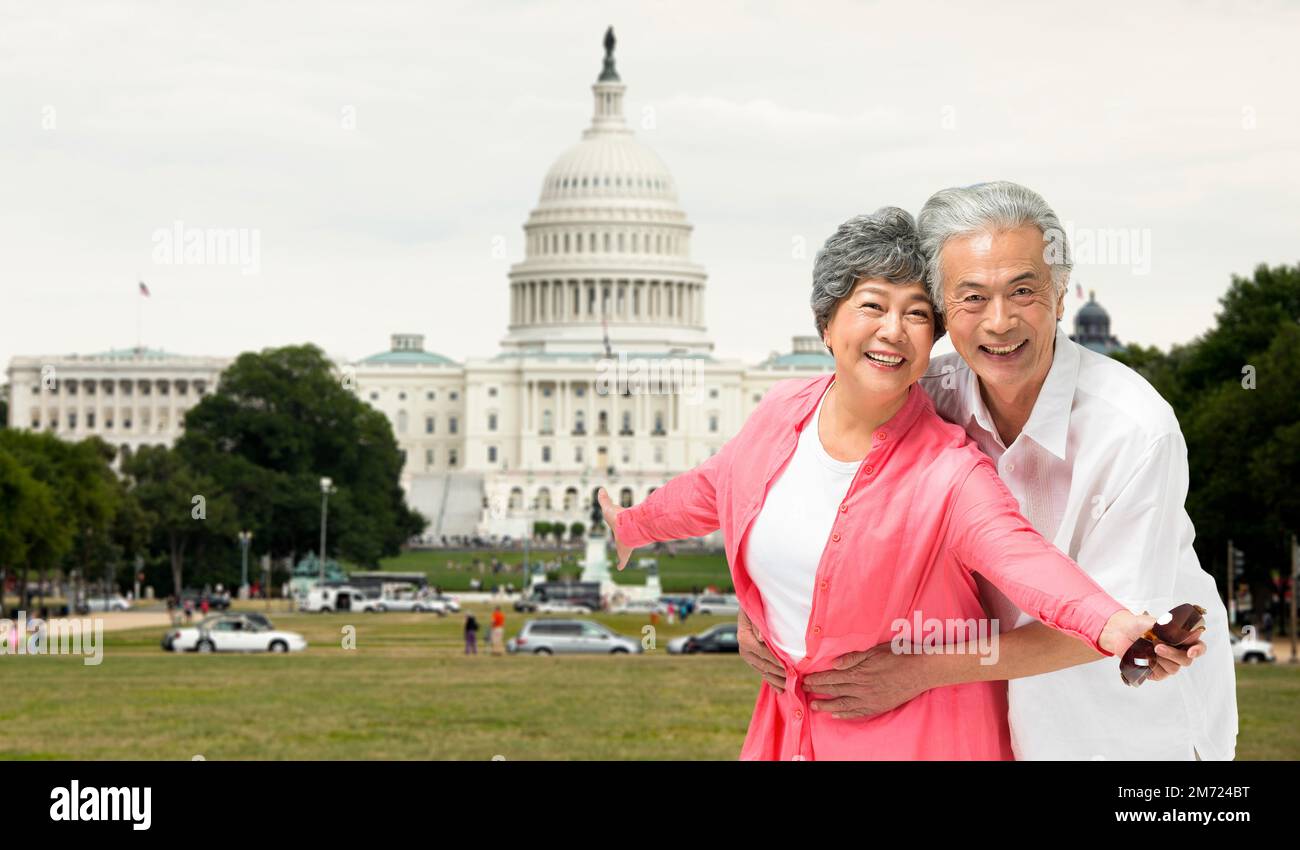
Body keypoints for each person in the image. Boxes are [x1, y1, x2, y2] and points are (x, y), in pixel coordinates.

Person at [601, 207, 1164, 761]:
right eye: (872, 305)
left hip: (926, 736)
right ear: (827, 325)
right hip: (791, 729)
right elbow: (711, 490)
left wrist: (1112, 624)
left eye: (917, 315)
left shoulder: (950, 471)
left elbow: (1023, 558)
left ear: (932, 340)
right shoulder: (780, 414)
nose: (892, 331)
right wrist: (631, 526)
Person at [740, 182, 1234, 761]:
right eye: (972, 297)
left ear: (1060, 297)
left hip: (1125, 733)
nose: (999, 322)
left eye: (1023, 291)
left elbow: (1116, 625)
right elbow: (801, 491)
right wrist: (761, 612)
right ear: (944, 312)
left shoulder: (1135, 429)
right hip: (982, 729)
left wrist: (916, 671)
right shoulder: (919, 394)